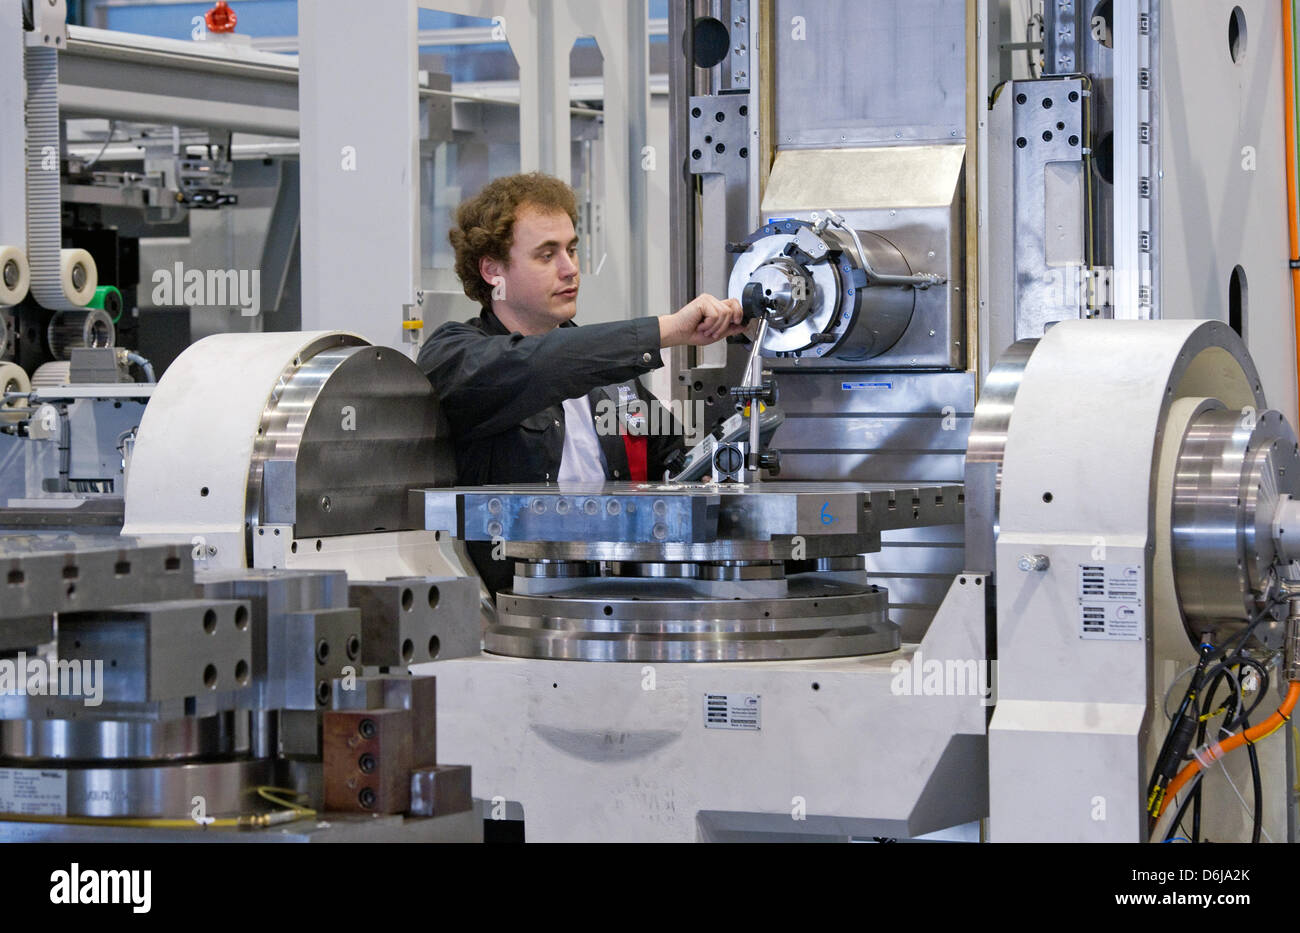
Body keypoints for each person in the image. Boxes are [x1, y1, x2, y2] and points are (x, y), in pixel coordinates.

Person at [418, 171, 744, 595]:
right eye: (546, 254)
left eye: (571, 249)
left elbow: (675, 459)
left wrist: (717, 461)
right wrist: (668, 330)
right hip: (512, 616)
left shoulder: (611, 383)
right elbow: (539, 366)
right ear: (493, 270)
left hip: (617, 608)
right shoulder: (458, 357)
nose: (570, 268)